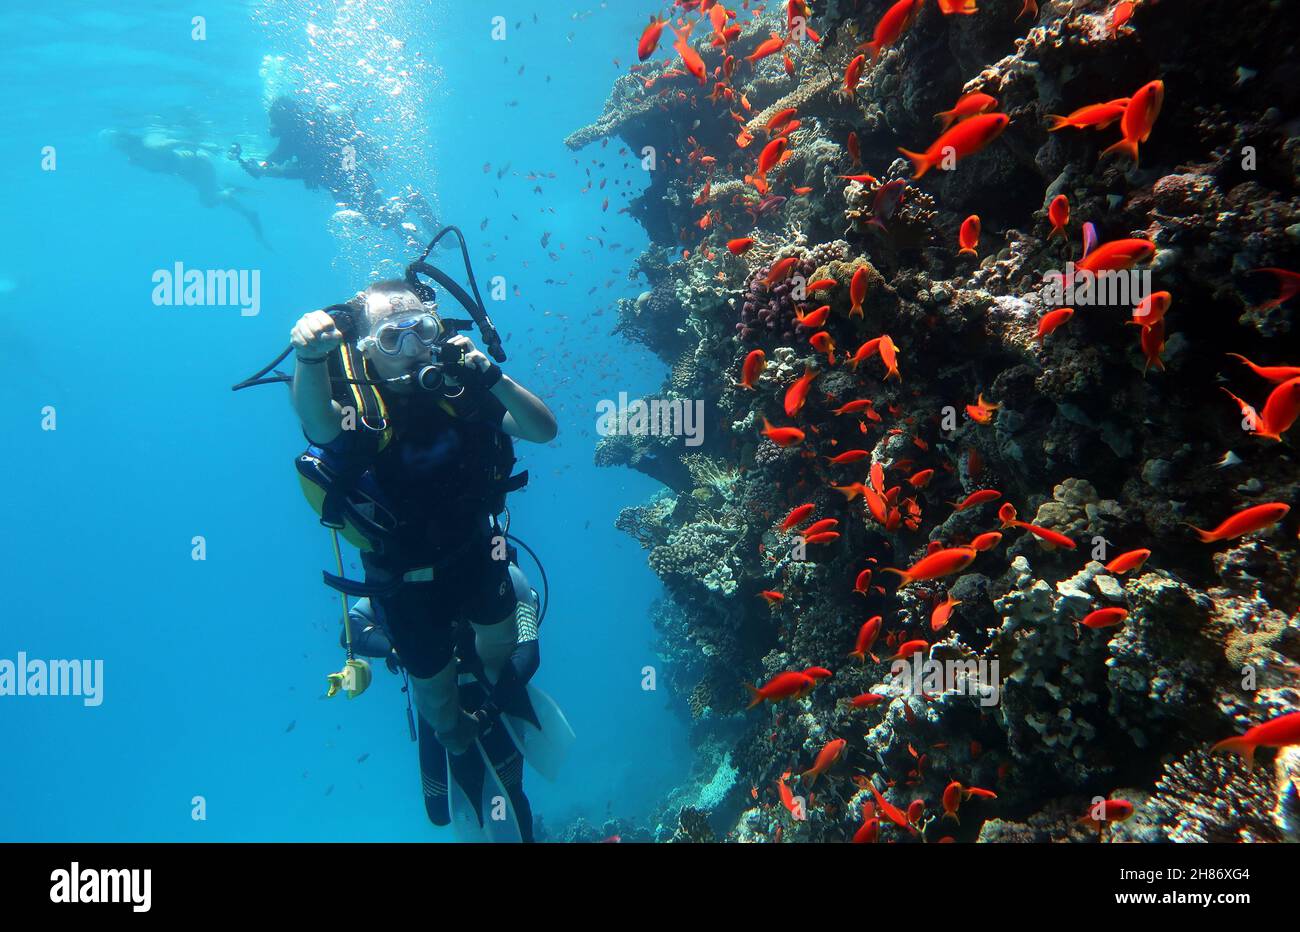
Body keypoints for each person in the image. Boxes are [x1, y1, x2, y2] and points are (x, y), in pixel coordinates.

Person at [290, 277, 561, 841]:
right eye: (393, 338)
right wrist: (311, 359)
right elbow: (316, 422)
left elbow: (543, 430)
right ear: (366, 350)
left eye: (423, 330)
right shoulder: (357, 411)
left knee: (500, 648)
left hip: (476, 552)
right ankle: (457, 738)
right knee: (437, 703)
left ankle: (494, 692)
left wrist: (493, 376)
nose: (412, 347)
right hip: (403, 584)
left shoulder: (462, 390)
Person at [340, 556, 564, 843]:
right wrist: (397, 649)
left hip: (494, 703)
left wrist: (484, 715)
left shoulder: (504, 577)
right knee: (441, 810)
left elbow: (528, 653)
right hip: (440, 708)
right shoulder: (407, 584)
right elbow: (351, 627)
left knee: (507, 796)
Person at [229, 96, 436, 243]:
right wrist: (256, 166)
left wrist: (277, 172)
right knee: (379, 217)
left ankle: (412, 202)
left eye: (274, 119)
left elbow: (312, 169)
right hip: (342, 182)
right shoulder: (292, 137)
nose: (272, 125)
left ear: (284, 120)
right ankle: (410, 233)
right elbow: (274, 159)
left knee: (379, 219)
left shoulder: (308, 132)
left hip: (351, 179)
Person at [104, 128, 268, 246]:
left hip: (200, 165)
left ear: (131, 142)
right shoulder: (134, 159)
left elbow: (178, 142)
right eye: (119, 148)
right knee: (213, 194)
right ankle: (248, 213)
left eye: (123, 146)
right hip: (187, 173)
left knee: (208, 200)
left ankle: (234, 190)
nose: (123, 150)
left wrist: (208, 147)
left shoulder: (152, 147)